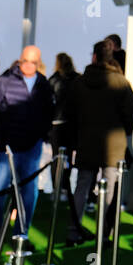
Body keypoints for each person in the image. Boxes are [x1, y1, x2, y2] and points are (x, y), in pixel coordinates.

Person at [64, 40, 133, 246]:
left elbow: (70, 112)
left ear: (94, 56)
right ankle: (102, 232)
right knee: (109, 188)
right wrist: (123, 129)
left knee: (82, 185)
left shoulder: (80, 82)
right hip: (113, 144)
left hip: (86, 141)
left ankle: (73, 230)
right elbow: (132, 113)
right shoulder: (120, 83)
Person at [0, 46, 53, 240]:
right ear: (20, 61)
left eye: (34, 62)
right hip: (7, 146)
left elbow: (49, 112)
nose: (29, 65)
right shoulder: (5, 81)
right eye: (26, 61)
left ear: (39, 63)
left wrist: (42, 134)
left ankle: (21, 234)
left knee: (28, 192)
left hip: (32, 147)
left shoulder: (43, 84)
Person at [47, 53, 78, 199]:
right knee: (68, 157)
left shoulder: (53, 80)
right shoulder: (78, 80)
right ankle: (65, 187)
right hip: (72, 123)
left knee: (57, 157)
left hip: (57, 123)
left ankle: (57, 188)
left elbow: (48, 102)